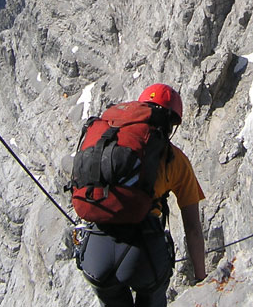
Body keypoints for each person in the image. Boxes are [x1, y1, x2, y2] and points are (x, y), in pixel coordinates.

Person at [77, 83, 207, 306]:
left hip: (96, 252)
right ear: (170, 124)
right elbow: (193, 228)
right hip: (143, 253)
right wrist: (200, 277)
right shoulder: (174, 159)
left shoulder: (104, 143)